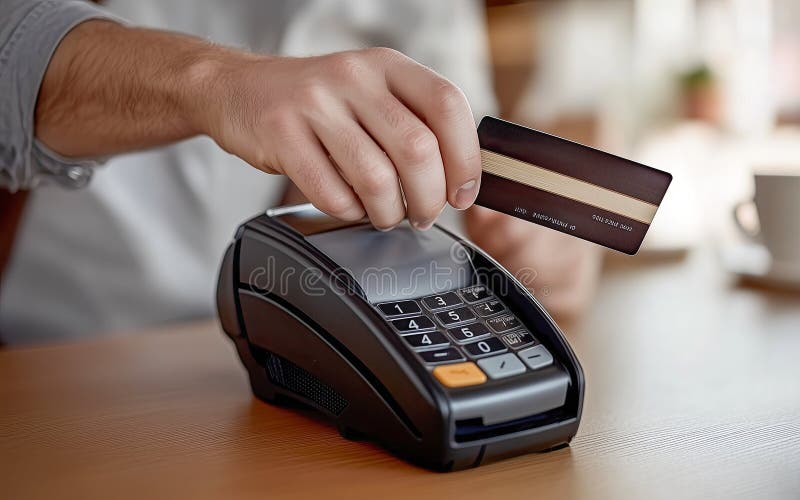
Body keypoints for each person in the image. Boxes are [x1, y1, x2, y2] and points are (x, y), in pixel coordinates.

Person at [0, 0, 601, 344]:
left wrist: (534, 249)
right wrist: (213, 83)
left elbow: (450, 156)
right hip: (54, 356)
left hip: (269, 369)